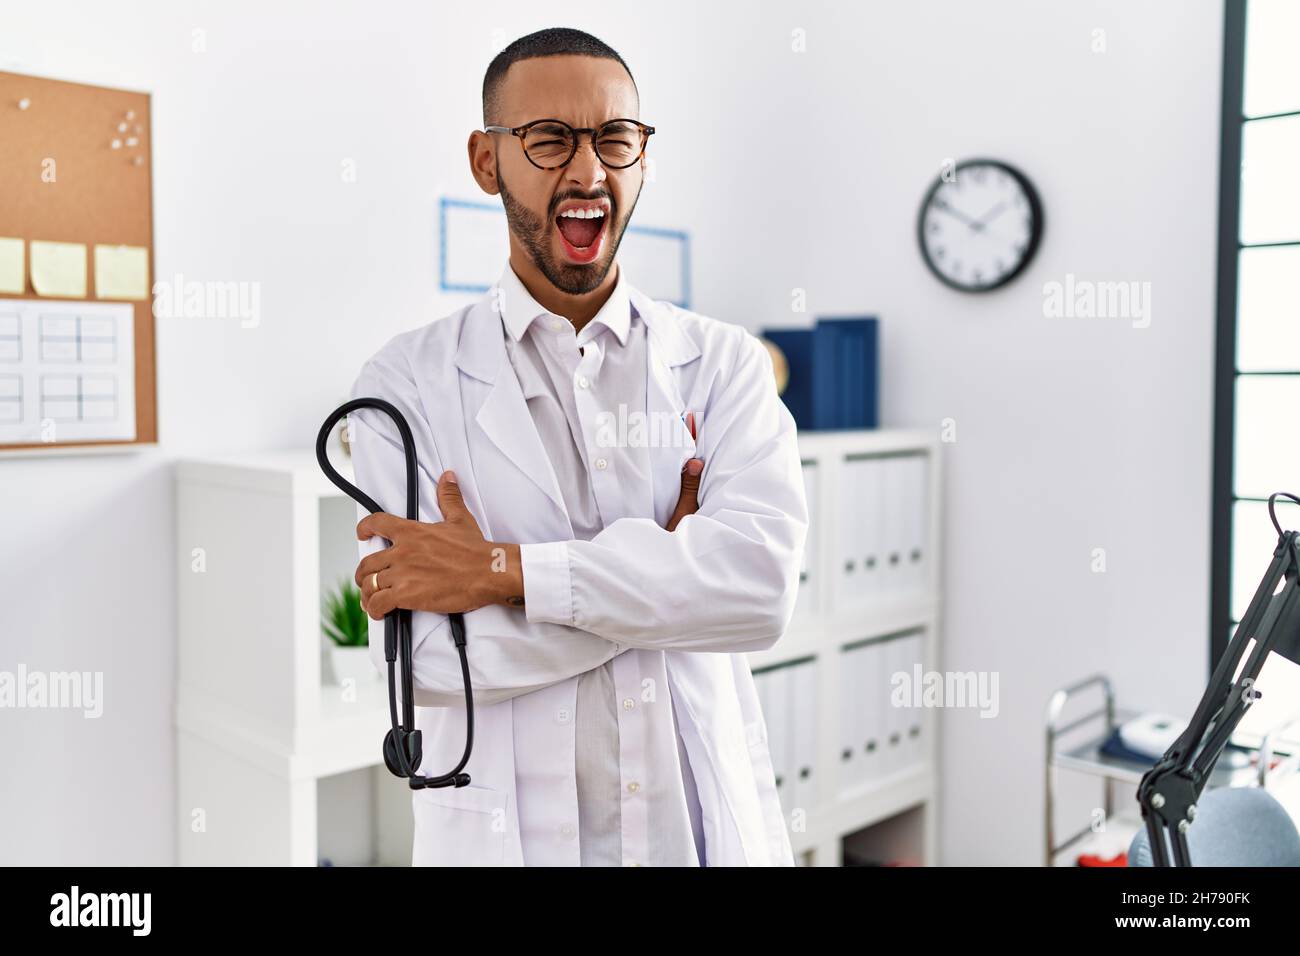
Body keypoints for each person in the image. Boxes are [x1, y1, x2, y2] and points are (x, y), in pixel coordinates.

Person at [347, 26, 807, 866]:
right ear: (487, 164)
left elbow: (760, 595)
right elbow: (429, 665)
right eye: (549, 140)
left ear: (642, 159)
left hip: (692, 833)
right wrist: (669, 582)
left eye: (615, 140)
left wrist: (499, 573)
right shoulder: (403, 385)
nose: (588, 171)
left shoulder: (724, 364)